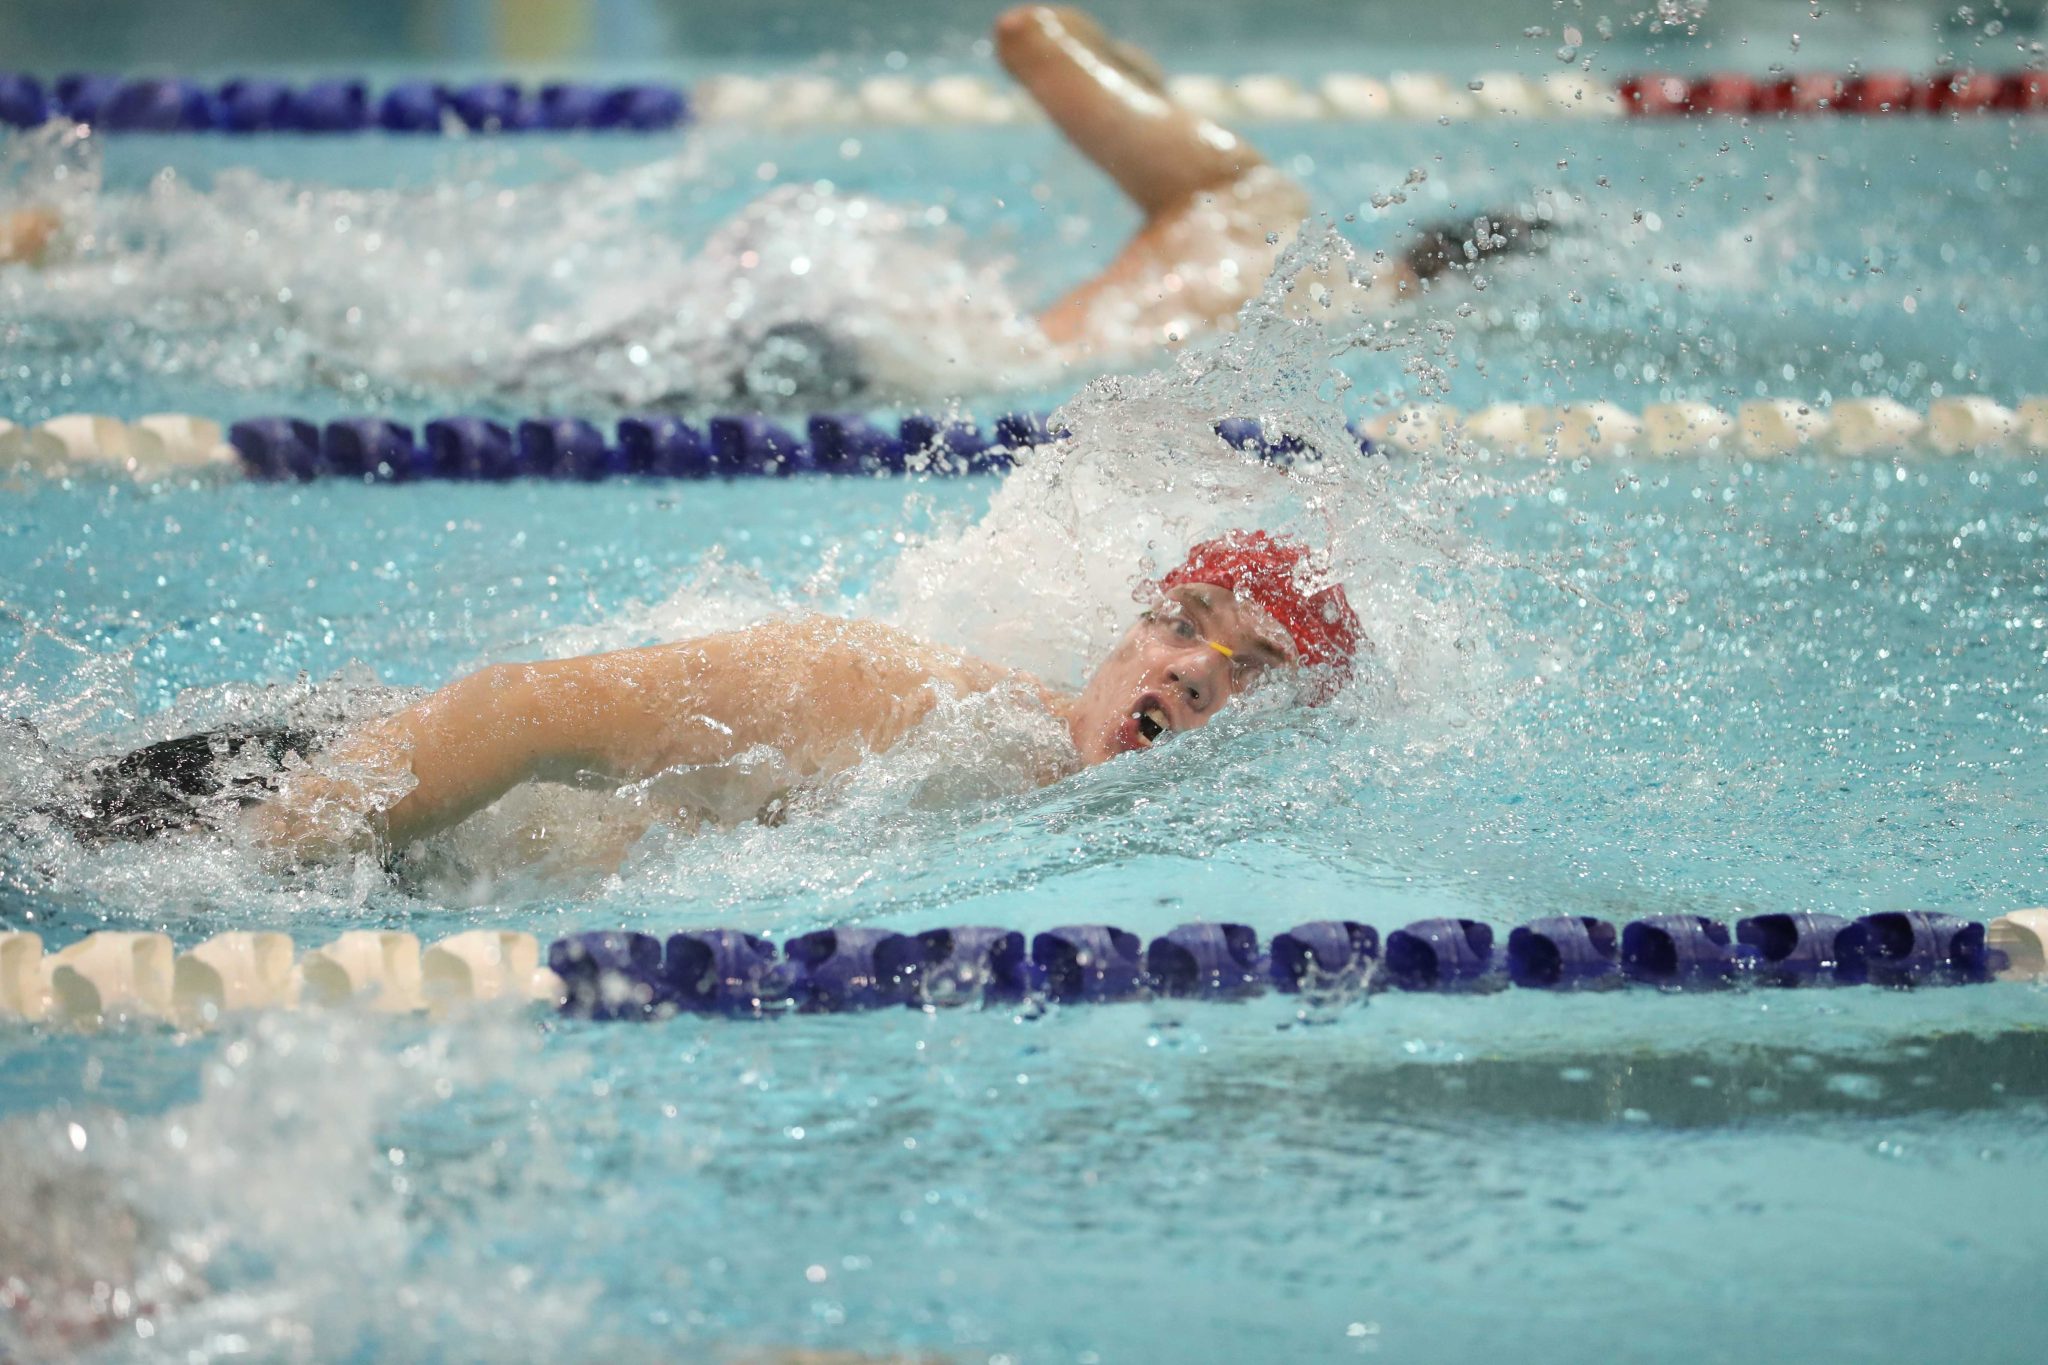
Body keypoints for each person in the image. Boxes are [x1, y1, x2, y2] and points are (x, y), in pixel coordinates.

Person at [0, 7, 1537, 373]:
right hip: (887, 348)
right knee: (448, 366)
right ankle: (99, 263)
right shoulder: (1299, 305)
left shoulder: (1240, 205)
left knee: (449, 341)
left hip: (864, 298)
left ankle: (104, 252)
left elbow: (1031, 35)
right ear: (1451, 289)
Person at [59, 531, 1362, 864]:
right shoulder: (904, 703)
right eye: (1184, 627)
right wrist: (270, 849)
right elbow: (519, 708)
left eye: (1247, 671)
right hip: (312, 799)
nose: (1190, 667)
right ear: (1125, 635)